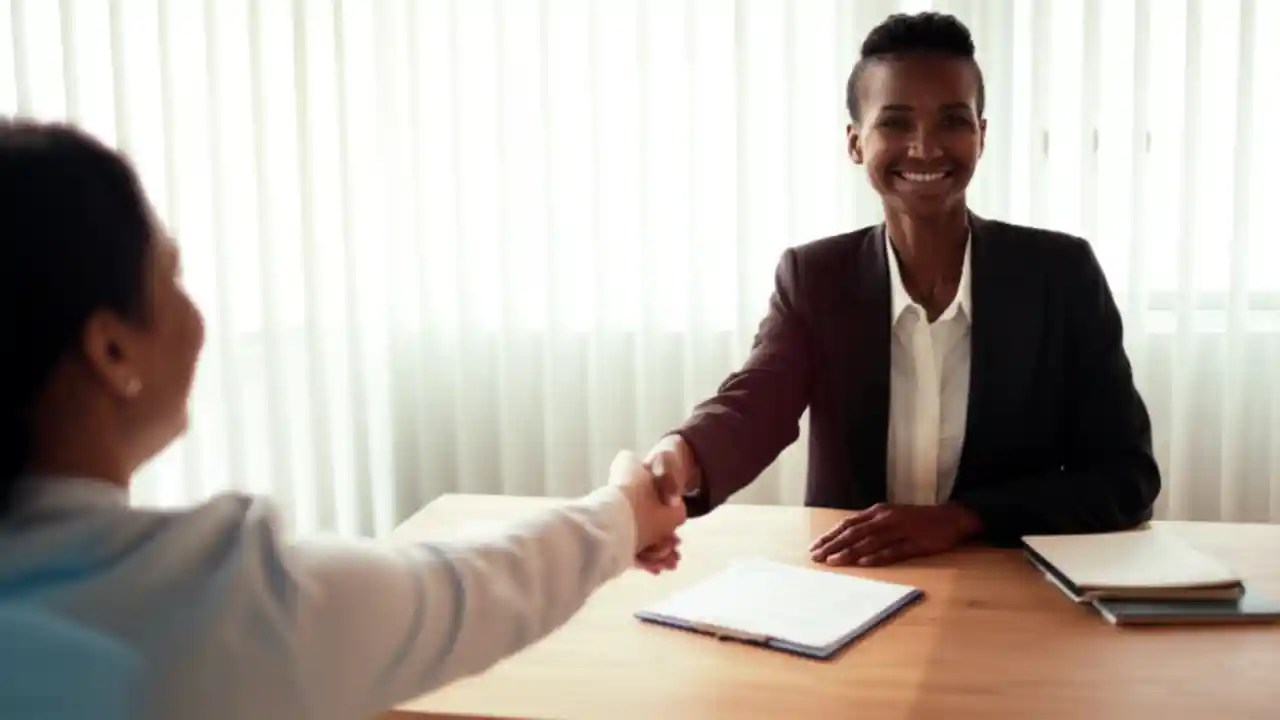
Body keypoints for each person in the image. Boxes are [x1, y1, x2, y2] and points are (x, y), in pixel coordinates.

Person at [0, 120, 685, 719]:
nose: (195, 316)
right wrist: (624, 509)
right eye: (171, 276)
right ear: (111, 348)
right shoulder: (211, 611)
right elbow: (467, 590)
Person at [639, 12, 1160, 570]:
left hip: (1011, 589)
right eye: (895, 122)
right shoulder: (817, 278)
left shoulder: (1060, 276)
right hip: (855, 589)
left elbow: (1125, 477)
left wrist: (965, 518)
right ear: (856, 143)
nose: (925, 147)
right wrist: (679, 456)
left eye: (952, 121)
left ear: (981, 136)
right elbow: (756, 404)